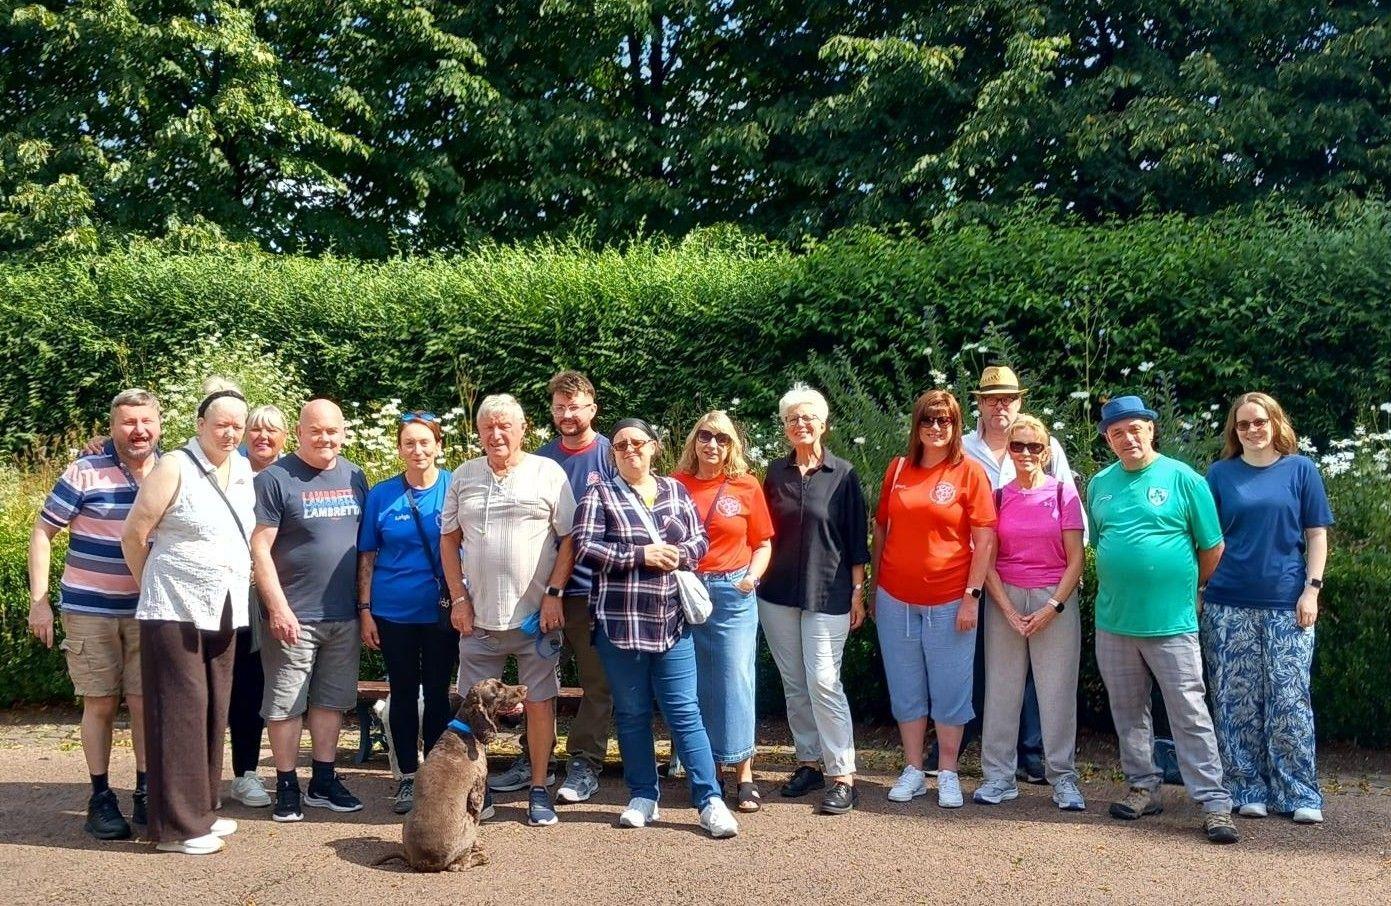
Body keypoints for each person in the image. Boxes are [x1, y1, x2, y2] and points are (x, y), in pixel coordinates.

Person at [573, 418, 740, 838]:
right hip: (620, 623)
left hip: (671, 621)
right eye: (621, 445)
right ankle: (643, 796)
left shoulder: (675, 490)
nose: (630, 450)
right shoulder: (600, 494)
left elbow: (700, 541)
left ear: (654, 448)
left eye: (638, 443)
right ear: (613, 453)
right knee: (631, 714)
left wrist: (678, 554)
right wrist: (641, 555)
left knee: (685, 712)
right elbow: (586, 547)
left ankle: (710, 799)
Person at [1088, 395, 1238, 844]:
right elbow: (1101, 542)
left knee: (1189, 712)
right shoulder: (1100, 484)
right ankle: (1143, 787)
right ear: (1108, 439)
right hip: (1114, 622)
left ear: (1151, 429)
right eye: (1117, 432)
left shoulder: (1184, 479)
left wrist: (1190, 589)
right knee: (1128, 712)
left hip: (1172, 622)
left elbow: (1212, 548)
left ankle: (1214, 803)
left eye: (1135, 429)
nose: (1127, 438)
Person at [120, 386, 254, 854]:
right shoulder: (174, 465)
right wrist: (151, 585)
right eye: (221, 424)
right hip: (173, 607)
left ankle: (202, 810)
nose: (231, 432)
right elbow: (133, 534)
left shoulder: (242, 469)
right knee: (179, 712)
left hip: (224, 604)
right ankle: (176, 828)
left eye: (238, 424)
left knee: (213, 708)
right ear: (200, 425)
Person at [26, 389, 160, 840]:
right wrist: (39, 601)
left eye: (145, 421)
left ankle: (145, 791)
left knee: (145, 704)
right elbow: (43, 531)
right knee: (100, 702)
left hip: (151, 610)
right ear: (113, 425)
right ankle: (100, 797)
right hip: (90, 609)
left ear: (158, 424)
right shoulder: (85, 471)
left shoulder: (172, 471)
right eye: (128, 422)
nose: (138, 430)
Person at [439, 394, 575, 828]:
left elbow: (569, 538)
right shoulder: (463, 475)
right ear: (478, 433)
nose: (496, 435)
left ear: (523, 430)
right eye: (488, 428)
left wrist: (554, 593)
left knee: (539, 703)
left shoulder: (547, 472)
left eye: (505, 427)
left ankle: (538, 789)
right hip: (478, 619)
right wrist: (458, 599)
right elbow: (448, 540)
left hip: (537, 618)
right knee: (472, 707)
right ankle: (478, 790)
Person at [1202, 392, 1332, 825]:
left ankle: (1298, 791)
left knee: (1289, 700)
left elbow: (1316, 535)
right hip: (1227, 602)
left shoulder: (1300, 470)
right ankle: (1246, 788)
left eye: (1259, 421)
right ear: (1234, 431)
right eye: (1243, 425)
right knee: (1234, 700)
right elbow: (1205, 538)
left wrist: (1311, 590)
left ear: (1275, 423)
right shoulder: (1220, 475)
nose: (1252, 430)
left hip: (1287, 604)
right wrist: (1201, 588)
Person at [492, 370, 616, 803]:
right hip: (541, 597)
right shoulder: (539, 461)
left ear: (592, 409)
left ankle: (584, 762)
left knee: (597, 683)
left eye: (575, 406)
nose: (567, 414)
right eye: (559, 407)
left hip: (594, 593)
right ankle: (534, 759)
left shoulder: (610, 455)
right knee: (538, 683)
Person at [871, 389, 997, 809]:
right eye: (929, 420)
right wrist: (875, 589)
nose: (937, 428)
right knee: (906, 688)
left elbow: (985, 538)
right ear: (917, 425)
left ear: (956, 426)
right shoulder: (898, 468)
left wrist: (971, 597)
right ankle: (912, 769)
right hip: (896, 599)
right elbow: (881, 530)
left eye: (945, 421)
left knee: (950, 689)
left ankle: (947, 771)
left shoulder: (969, 472)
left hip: (949, 599)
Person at [252, 399, 369, 822]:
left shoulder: (355, 475)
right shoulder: (275, 478)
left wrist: (364, 606)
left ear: (343, 432)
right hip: (294, 616)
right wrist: (277, 607)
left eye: (332, 431)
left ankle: (323, 779)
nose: (325, 439)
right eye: (316, 431)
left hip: (343, 615)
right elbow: (259, 548)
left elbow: (365, 549)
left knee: (330, 702)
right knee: (286, 704)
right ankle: (286, 784)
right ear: (299, 432)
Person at [960, 365, 1076, 783]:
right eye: (991, 398)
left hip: (1040, 579)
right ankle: (973, 751)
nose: (1000, 405)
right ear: (979, 403)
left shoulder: (1047, 446)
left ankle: (1033, 753)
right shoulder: (961, 448)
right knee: (989, 672)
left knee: (1040, 675)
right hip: (978, 575)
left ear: (1019, 402)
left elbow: (1069, 515)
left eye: (1008, 397)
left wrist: (1062, 588)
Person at [759, 385, 869, 815]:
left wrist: (859, 592)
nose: (800, 424)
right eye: (792, 419)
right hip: (777, 593)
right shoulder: (773, 474)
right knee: (795, 682)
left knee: (824, 680)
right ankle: (808, 761)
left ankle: (842, 773)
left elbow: (856, 539)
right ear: (785, 427)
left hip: (829, 591)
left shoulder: (843, 473)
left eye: (808, 418)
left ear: (824, 424)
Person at [975, 415, 1086, 811]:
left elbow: (1076, 561)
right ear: (1008, 449)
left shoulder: (1063, 495)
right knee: (1001, 692)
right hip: (1005, 597)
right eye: (1017, 446)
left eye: (1033, 447)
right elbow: (985, 560)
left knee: (1057, 693)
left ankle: (1064, 779)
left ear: (1045, 450)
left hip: (1053, 599)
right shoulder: (998, 496)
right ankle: (998, 777)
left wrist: (1052, 607)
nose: (1025, 453)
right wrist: (1005, 607)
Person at [672, 410, 774, 812]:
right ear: (694, 441)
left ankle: (743, 772)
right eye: (705, 435)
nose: (712, 444)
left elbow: (763, 542)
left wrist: (751, 579)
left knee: (735, 681)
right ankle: (705, 767)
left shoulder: (746, 486)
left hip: (732, 591)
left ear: (732, 445)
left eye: (722, 438)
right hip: (686, 590)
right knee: (691, 682)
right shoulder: (674, 485)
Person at [357, 411, 457, 815]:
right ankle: (406, 777)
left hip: (442, 610)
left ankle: (434, 777)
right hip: (392, 610)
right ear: (399, 449)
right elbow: (367, 554)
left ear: (438, 446)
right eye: (409, 443)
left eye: (425, 442)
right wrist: (364, 610)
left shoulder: (455, 485)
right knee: (401, 691)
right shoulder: (382, 494)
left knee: (436, 693)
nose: (417, 449)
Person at [227, 403, 290, 809]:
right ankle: (245, 773)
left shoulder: (293, 474)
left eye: (272, 431)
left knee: (283, 685)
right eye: (256, 430)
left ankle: (293, 773)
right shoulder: (226, 469)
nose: (263, 437)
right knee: (243, 685)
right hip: (239, 595)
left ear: (286, 436)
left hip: (289, 596)